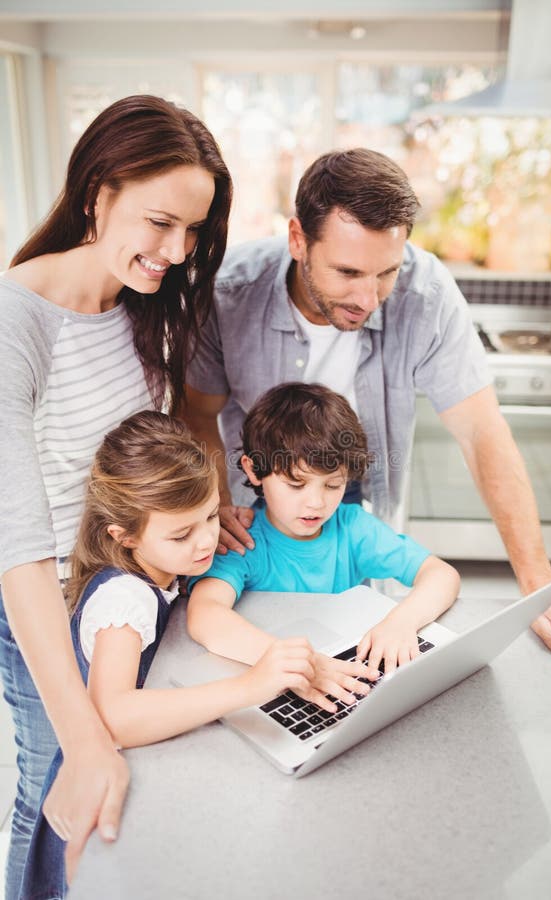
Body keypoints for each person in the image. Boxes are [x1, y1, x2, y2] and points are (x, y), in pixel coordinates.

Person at [182, 147, 551, 659]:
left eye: (387, 273)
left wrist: (538, 583)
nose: (369, 297)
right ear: (298, 240)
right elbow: (198, 413)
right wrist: (217, 506)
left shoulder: (425, 296)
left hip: (362, 495)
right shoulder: (230, 291)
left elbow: (482, 433)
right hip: (256, 511)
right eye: (348, 272)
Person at [0, 93, 233, 895]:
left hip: (122, 582)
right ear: (98, 192)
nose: (177, 250)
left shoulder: (143, 303)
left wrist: (208, 513)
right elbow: (18, 543)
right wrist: (81, 729)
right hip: (42, 595)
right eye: (160, 222)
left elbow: (150, 450)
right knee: (58, 778)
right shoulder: (14, 323)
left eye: (193, 231)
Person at [20, 410, 315, 899]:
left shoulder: (159, 567)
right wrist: (249, 686)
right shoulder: (125, 599)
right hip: (94, 807)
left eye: (208, 516)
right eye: (181, 535)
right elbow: (114, 715)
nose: (205, 541)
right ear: (124, 535)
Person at [187, 383, 460, 707]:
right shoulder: (244, 541)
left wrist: (402, 622)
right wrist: (298, 665)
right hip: (272, 684)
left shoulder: (352, 527)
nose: (315, 503)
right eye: (296, 484)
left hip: (343, 674)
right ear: (254, 470)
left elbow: (441, 575)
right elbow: (204, 616)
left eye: (333, 484)